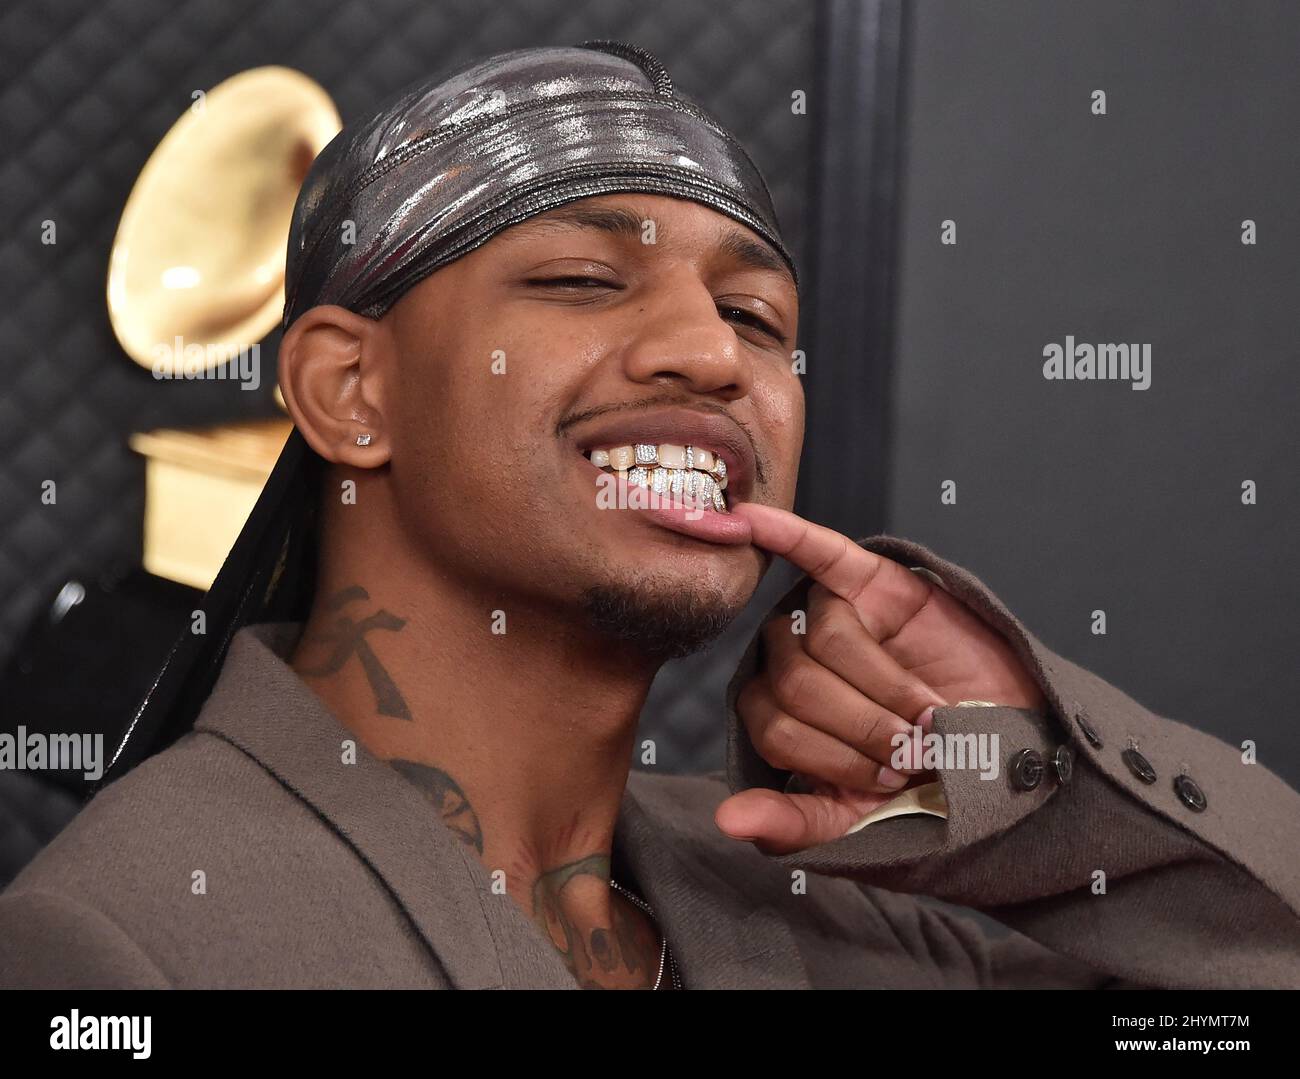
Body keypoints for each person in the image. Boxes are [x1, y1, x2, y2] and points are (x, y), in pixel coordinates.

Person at [0, 40, 1296, 990]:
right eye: (582, 278)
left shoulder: (845, 926)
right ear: (351, 391)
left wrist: (1028, 773)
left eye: (756, 316)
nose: (712, 352)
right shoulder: (120, 947)